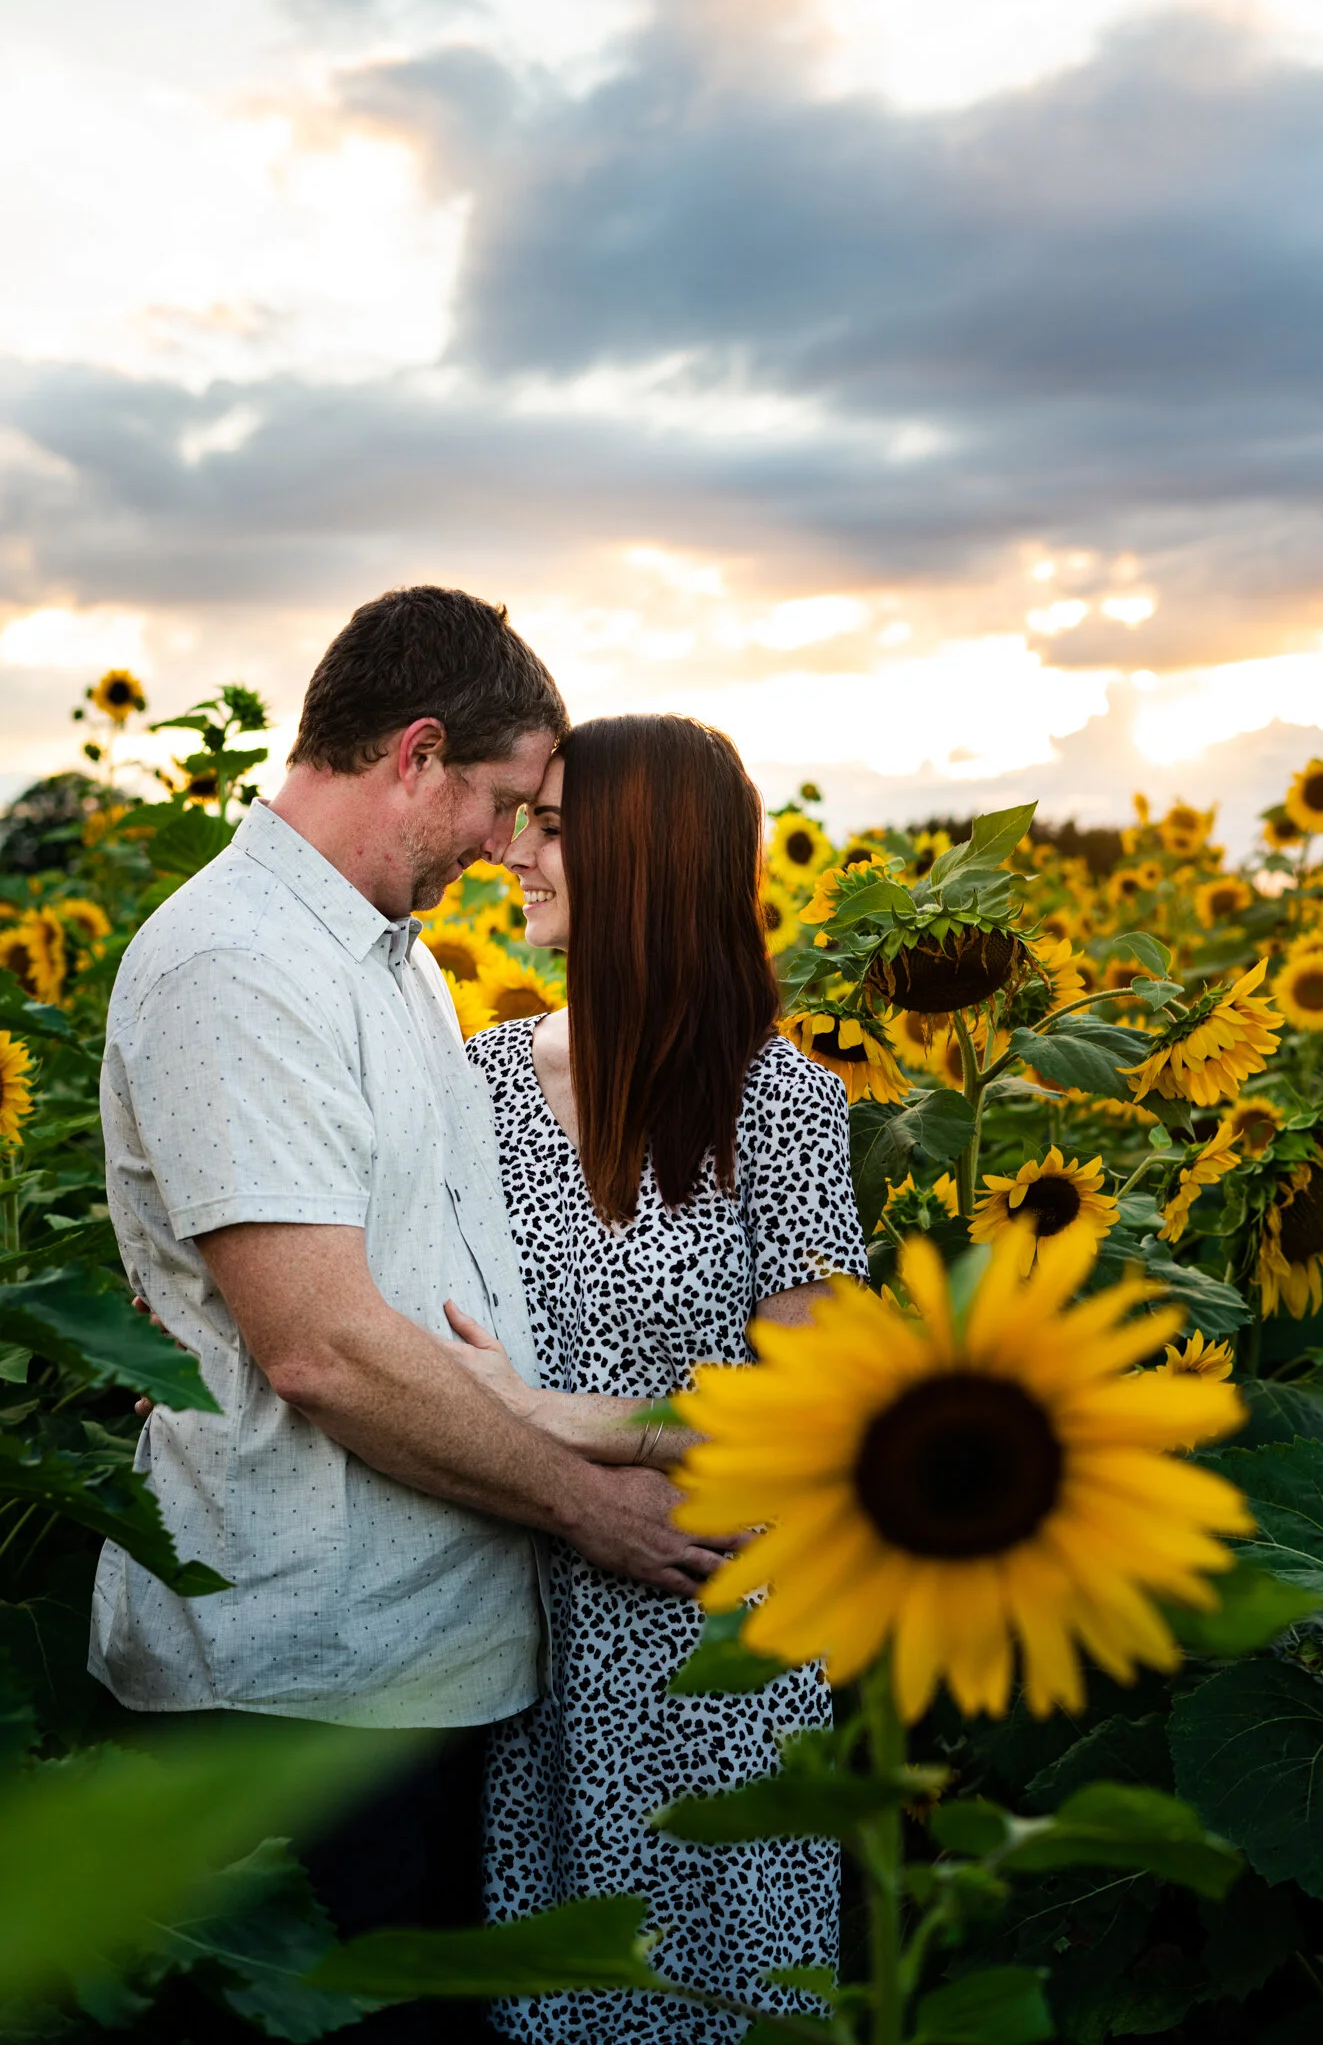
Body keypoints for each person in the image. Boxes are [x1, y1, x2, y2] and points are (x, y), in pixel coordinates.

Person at [93, 591, 730, 2044]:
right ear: (417, 755)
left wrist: (622, 1428)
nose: (510, 849)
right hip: (301, 1688)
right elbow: (319, 1348)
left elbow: (405, 1307)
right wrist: (592, 1507)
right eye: (506, 806)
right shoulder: (237, 965)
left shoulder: (385, 962)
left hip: (406, 1667)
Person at [445, 715, 868, 2045]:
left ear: (645, 857)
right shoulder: (472, 1086)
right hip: (518, 1651)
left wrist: (551, 1416)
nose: (517, 854)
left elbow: (810, 1417)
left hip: (714, 1663)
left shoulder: (777, 1103)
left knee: (719, 2006)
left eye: (555, 828)